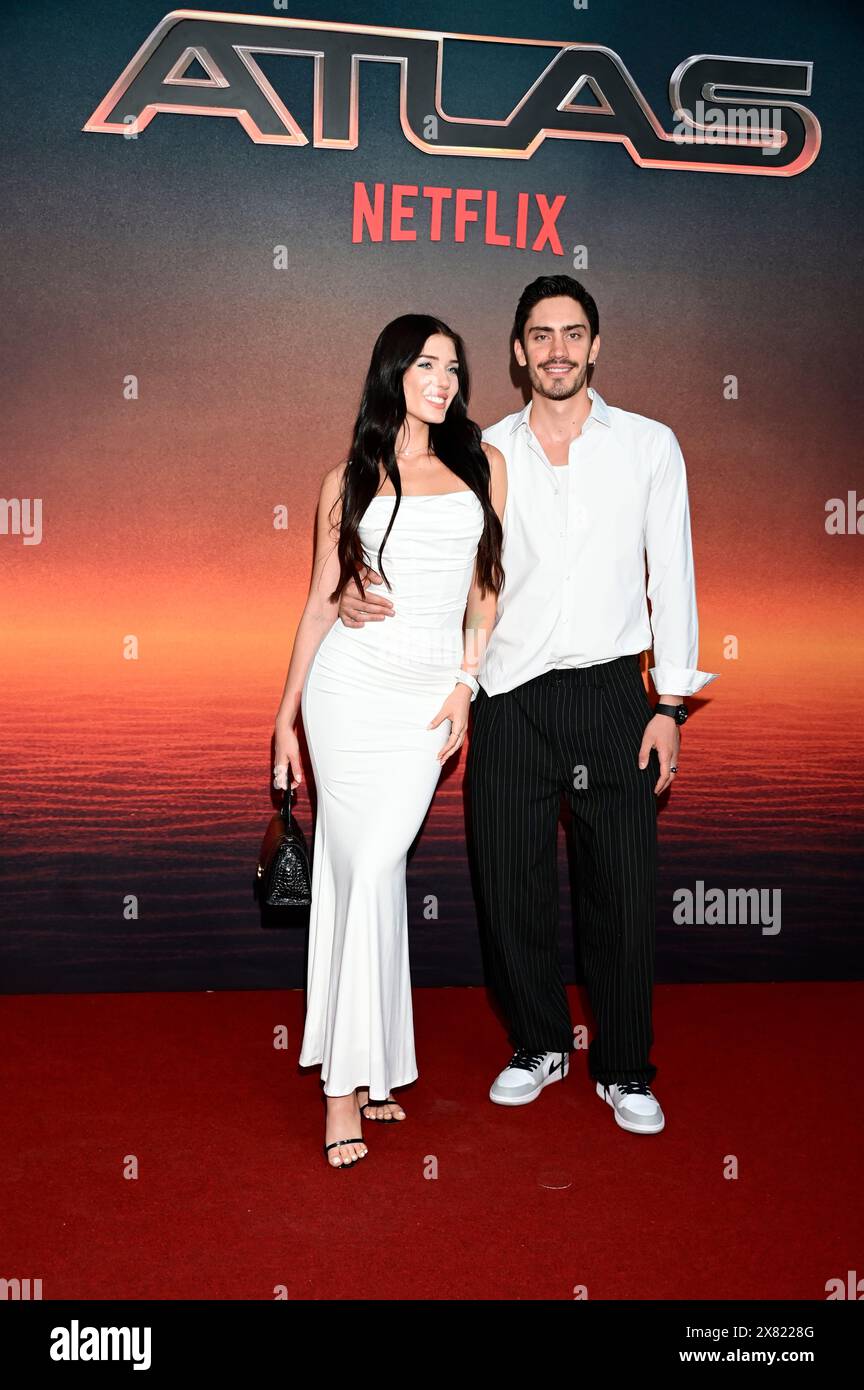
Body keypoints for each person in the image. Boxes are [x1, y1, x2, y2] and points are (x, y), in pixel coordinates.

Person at [339, 276, 717, 1136]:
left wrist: (671, 704)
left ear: (596, 346)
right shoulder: (481, 453)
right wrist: (355, 587)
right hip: (508, 695)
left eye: (573, 334)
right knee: (508, 884)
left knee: (621, 891)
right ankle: (540, 1043)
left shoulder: (650, 446)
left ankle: (625, 1067)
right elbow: (434, 556)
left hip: (615, 695)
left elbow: (674, 575)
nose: (557, 350)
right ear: (517, 352)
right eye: (540, 335)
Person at [273, 314, 506, 1168]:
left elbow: (486, 591)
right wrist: (285, 713)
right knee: (359, 870)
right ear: (392, 373)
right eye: (427, 365)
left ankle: (373, 1062)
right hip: (345, 691)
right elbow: (319, 601)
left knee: (375, 868)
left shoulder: (483, 467)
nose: (444, 380)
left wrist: (467, 682)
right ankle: (347, 1087)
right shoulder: (348, 479)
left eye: (455, 367)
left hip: (425, 699)